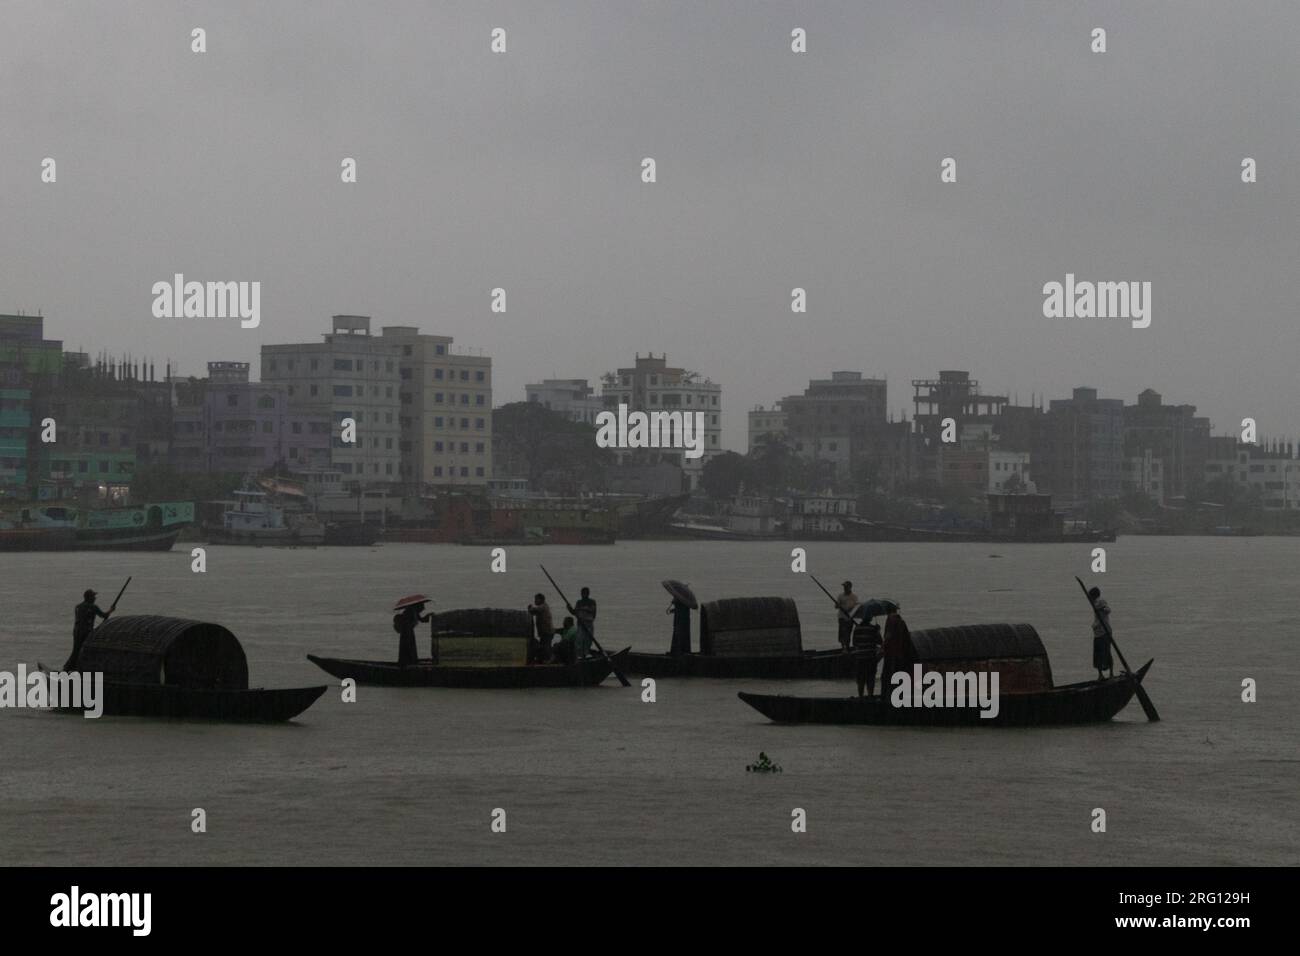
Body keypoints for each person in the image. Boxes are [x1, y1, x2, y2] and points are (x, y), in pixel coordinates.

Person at [66, 588, 111, 670]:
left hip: (77, 632)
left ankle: (70, 668)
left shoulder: (78, 607)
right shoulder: (93, 607)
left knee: (76, 650)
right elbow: (104, 616)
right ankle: (76, 669)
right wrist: (111, 610)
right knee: (86, 651)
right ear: (89, 597)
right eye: (93, 596)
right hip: (86, 632)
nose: (95, 598)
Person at [880, 606, 910, 699]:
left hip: (891, 653)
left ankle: (888, 695)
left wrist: (883, 646)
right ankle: (900, 694)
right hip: (901, 653)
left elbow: (888, 636)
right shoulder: (901, 621)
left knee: (888, 675)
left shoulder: (890, 620)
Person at [393, 597, 431, 667]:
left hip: (409, 631)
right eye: (422, 606)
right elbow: (408, 622)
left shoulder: (414, 611)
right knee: (407, 647)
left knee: (410, 647)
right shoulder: (409, 611)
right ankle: (407, 662)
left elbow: (423, 620)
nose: (423, 608)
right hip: (406, 632)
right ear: (418, 605)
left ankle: (410, 661)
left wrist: (429, 615)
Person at [852, 611, 883, 697]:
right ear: (870, 618)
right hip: (870, 657)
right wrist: (878, 631)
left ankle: (860, 696)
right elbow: (880, 642)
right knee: (870, 678)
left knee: (861, 679)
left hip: (860, 657)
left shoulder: (857, 628)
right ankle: (870, 696)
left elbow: (854, 643)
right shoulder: (873, 629)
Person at [1089, 586, 1114, 680]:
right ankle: (1100, 675)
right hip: (1098, 632)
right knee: (1098, 654)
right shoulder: (1094, 603)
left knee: (1107, 652)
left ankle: (1111, 673)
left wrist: (1102, 609)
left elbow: (1108, 610)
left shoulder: (1100, 601)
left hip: (1104, 632)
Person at [528, 594, 555, 663]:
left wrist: (530, 608)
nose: (535, 601)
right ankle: (543, 659)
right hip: (544, 632)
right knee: (543, 646)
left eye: (536, 599)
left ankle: (550, 659)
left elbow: (535, 609)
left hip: (548, 631)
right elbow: (533, 612)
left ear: (541, 600)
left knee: (546, 646)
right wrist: (530, 610)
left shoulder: (544, 606)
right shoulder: (541, 608)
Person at [836, 581, 859, 651]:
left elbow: (855, 607)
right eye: (844, 587)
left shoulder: (854, 597)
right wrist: (838, 605)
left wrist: (850, 609)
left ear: (850, 587)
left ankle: (847, 647)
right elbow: (836, 606)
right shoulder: (840, 596)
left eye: (846, 587)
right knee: (842, 633)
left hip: (850, 618)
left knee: (848, 633)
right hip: (842, 617)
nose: (845, 588)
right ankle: (843, 648)